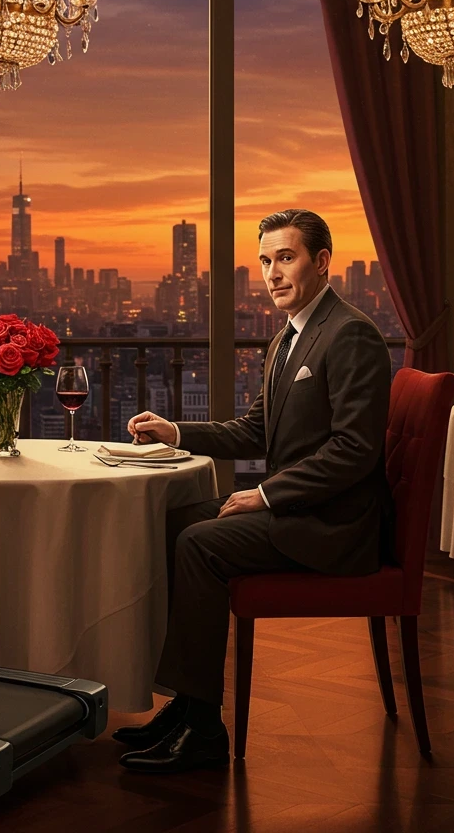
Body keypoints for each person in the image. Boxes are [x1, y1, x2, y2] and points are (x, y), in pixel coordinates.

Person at [115, 209, 393, 773]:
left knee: (199, 543)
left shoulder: (350, 333)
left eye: (286, 258)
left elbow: (354, 450)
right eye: (265, 260)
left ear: (321, 261)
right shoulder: (286, 339)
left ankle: (204, 730)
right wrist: (175, 431)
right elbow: (254, 432)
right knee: (174, 519)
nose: (272, 273)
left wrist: (266, 496)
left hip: (334, 526)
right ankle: (186, 701)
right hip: (300, 510)